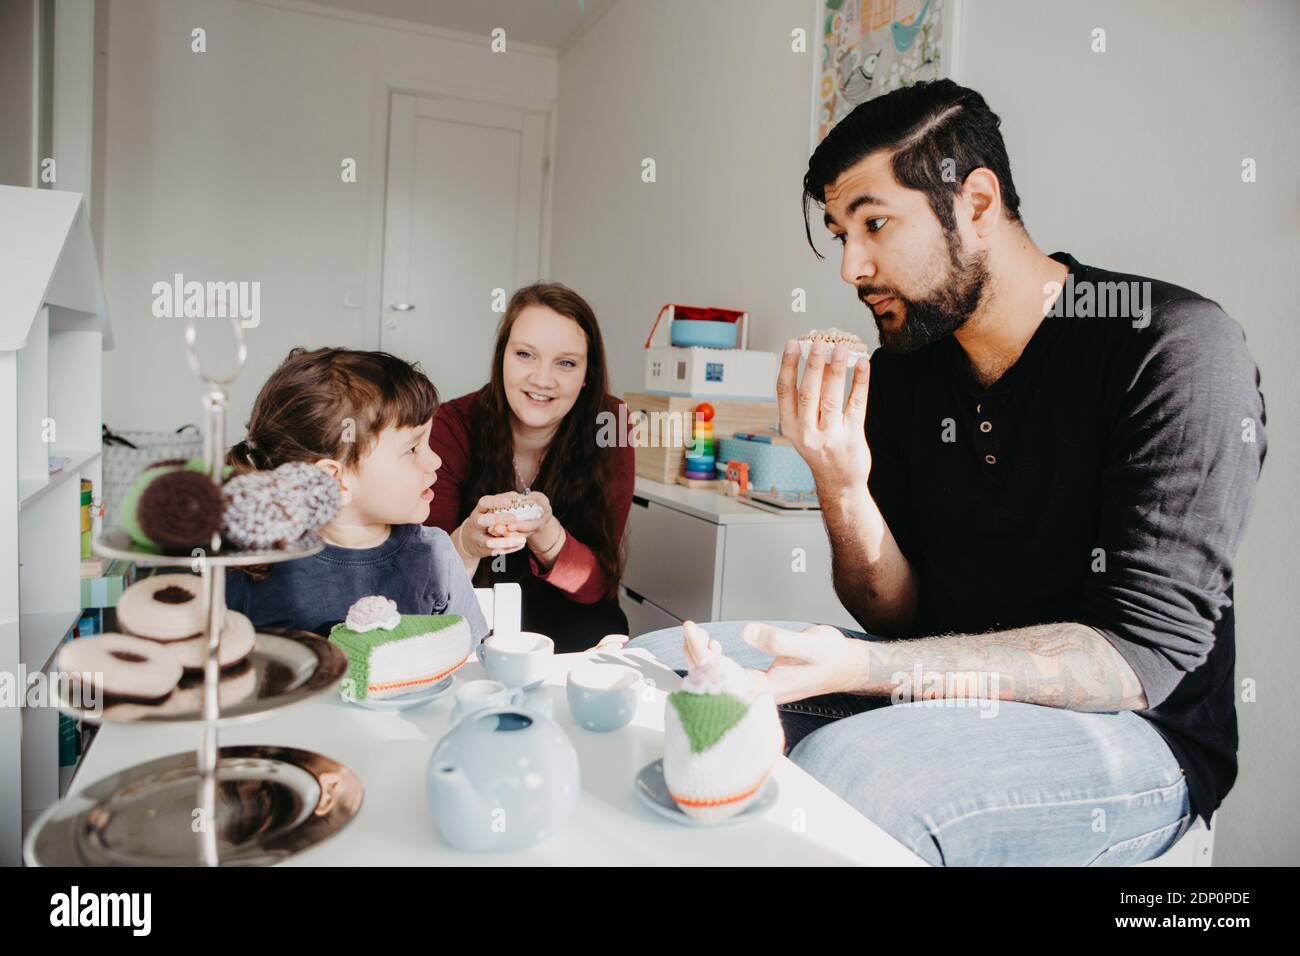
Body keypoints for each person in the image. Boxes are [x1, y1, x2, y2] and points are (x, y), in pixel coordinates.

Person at [628, 79, 1267, 866]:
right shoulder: (906, 371)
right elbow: (895, 612)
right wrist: (839, 478)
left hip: (1137, 733)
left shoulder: (1172, 349)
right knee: (663, 678)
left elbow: (1133, 659)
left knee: (855, 778)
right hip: (931, 689)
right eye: (839, 234)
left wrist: (866, 666)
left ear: (975, 201)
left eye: (875, 224)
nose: (851, 267)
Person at [225, 347, 488, 644]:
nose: (435, 461)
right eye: (412, 448)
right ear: (335, 481)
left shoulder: (435, 555)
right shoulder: (249, 560)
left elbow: (467, 662)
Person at [425, 282, 635, 652]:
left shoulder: (611, 424)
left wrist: (546, 533)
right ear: (502, 356)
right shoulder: (452, 424)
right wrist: (470, 540)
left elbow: (595, 584)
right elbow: (429, 582)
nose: (542, 379)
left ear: (587, 374)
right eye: (525, 355)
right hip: (470, 602)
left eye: (566, 363)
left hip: (573, 610)